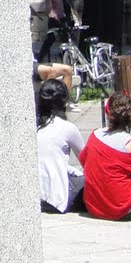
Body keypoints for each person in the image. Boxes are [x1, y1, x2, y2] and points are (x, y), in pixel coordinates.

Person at [80, 92, 131, 220]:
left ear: (107, 112)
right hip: (121, 210)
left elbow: (84, 160)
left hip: (93, 206)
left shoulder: (94, 136)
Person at [36, 78, 84, 212]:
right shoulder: (68, 128)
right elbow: (87, 161)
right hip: (56, 198)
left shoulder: (35, 126)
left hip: (37, 196)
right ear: (64, 100)